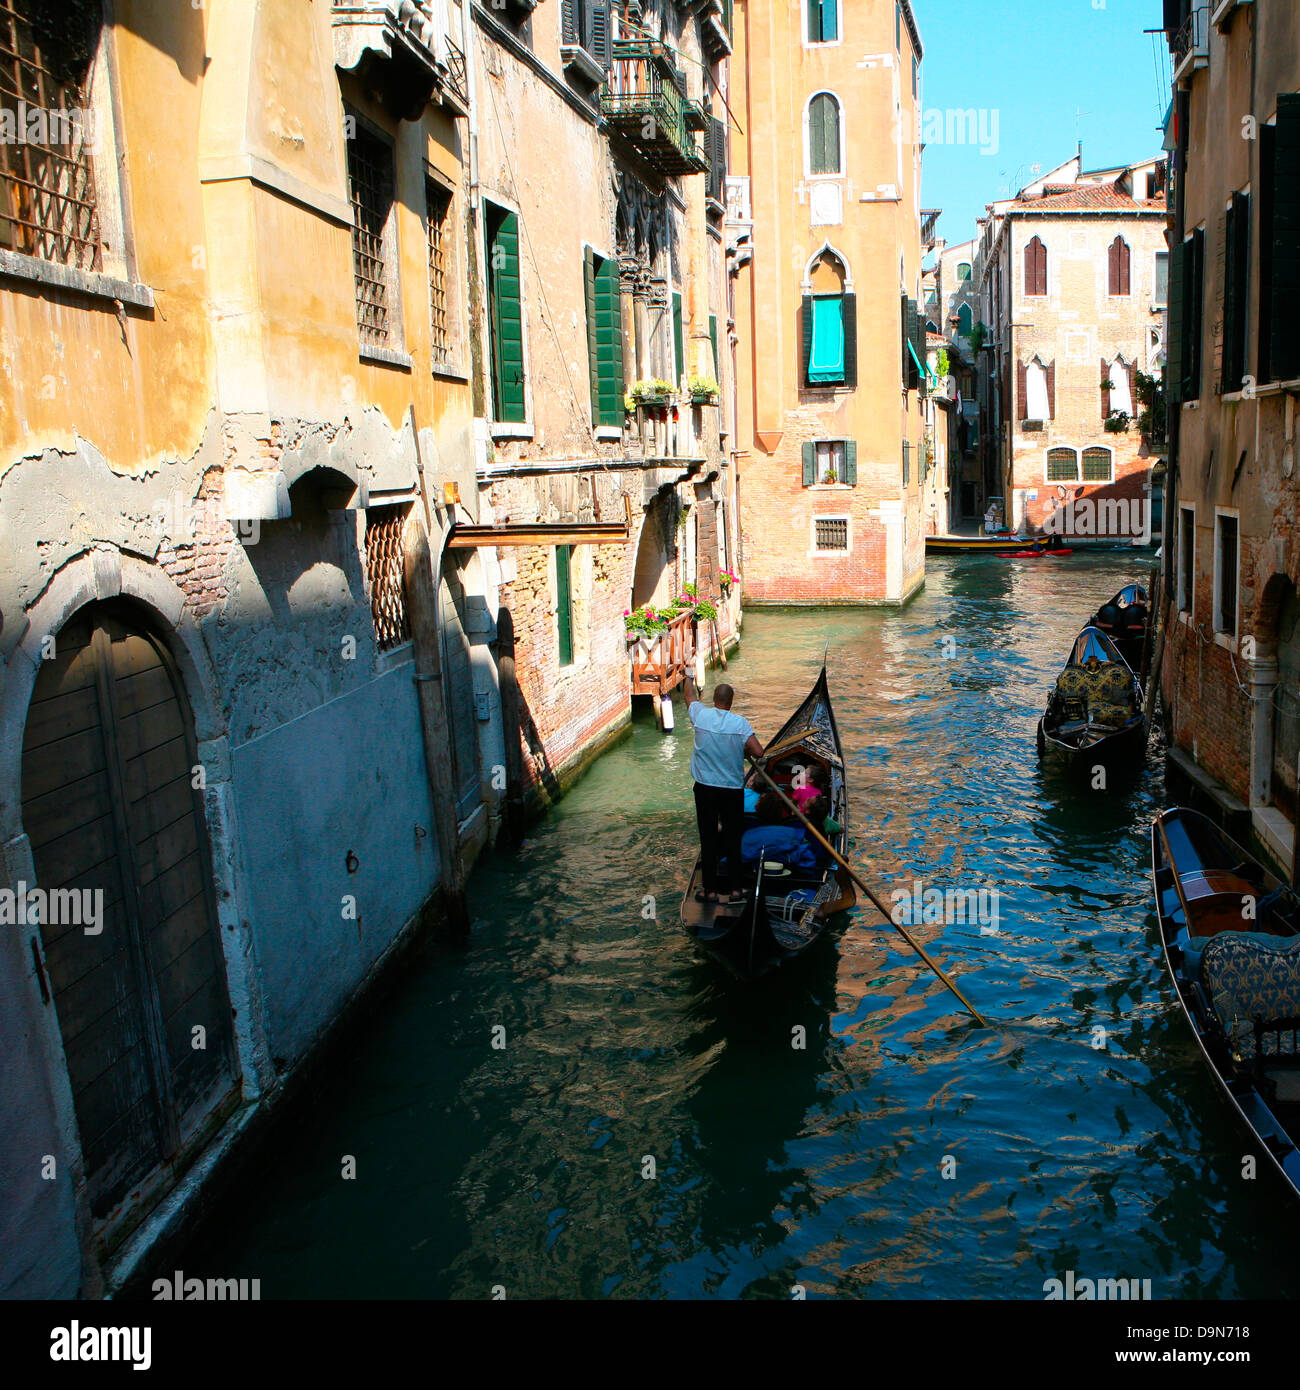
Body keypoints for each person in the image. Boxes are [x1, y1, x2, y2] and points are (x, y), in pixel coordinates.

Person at [684, 674, 765, 904]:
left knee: (708, 840)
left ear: (713, 699)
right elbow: (759, 753)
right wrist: (740, 748)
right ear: (731, 702)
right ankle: (736, 890)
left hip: (705, 790)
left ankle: (709, 891)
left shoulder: (701, 716)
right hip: (731, 791)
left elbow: (689, 696)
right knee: (733, 839)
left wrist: (688, 676)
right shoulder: (739, 724)